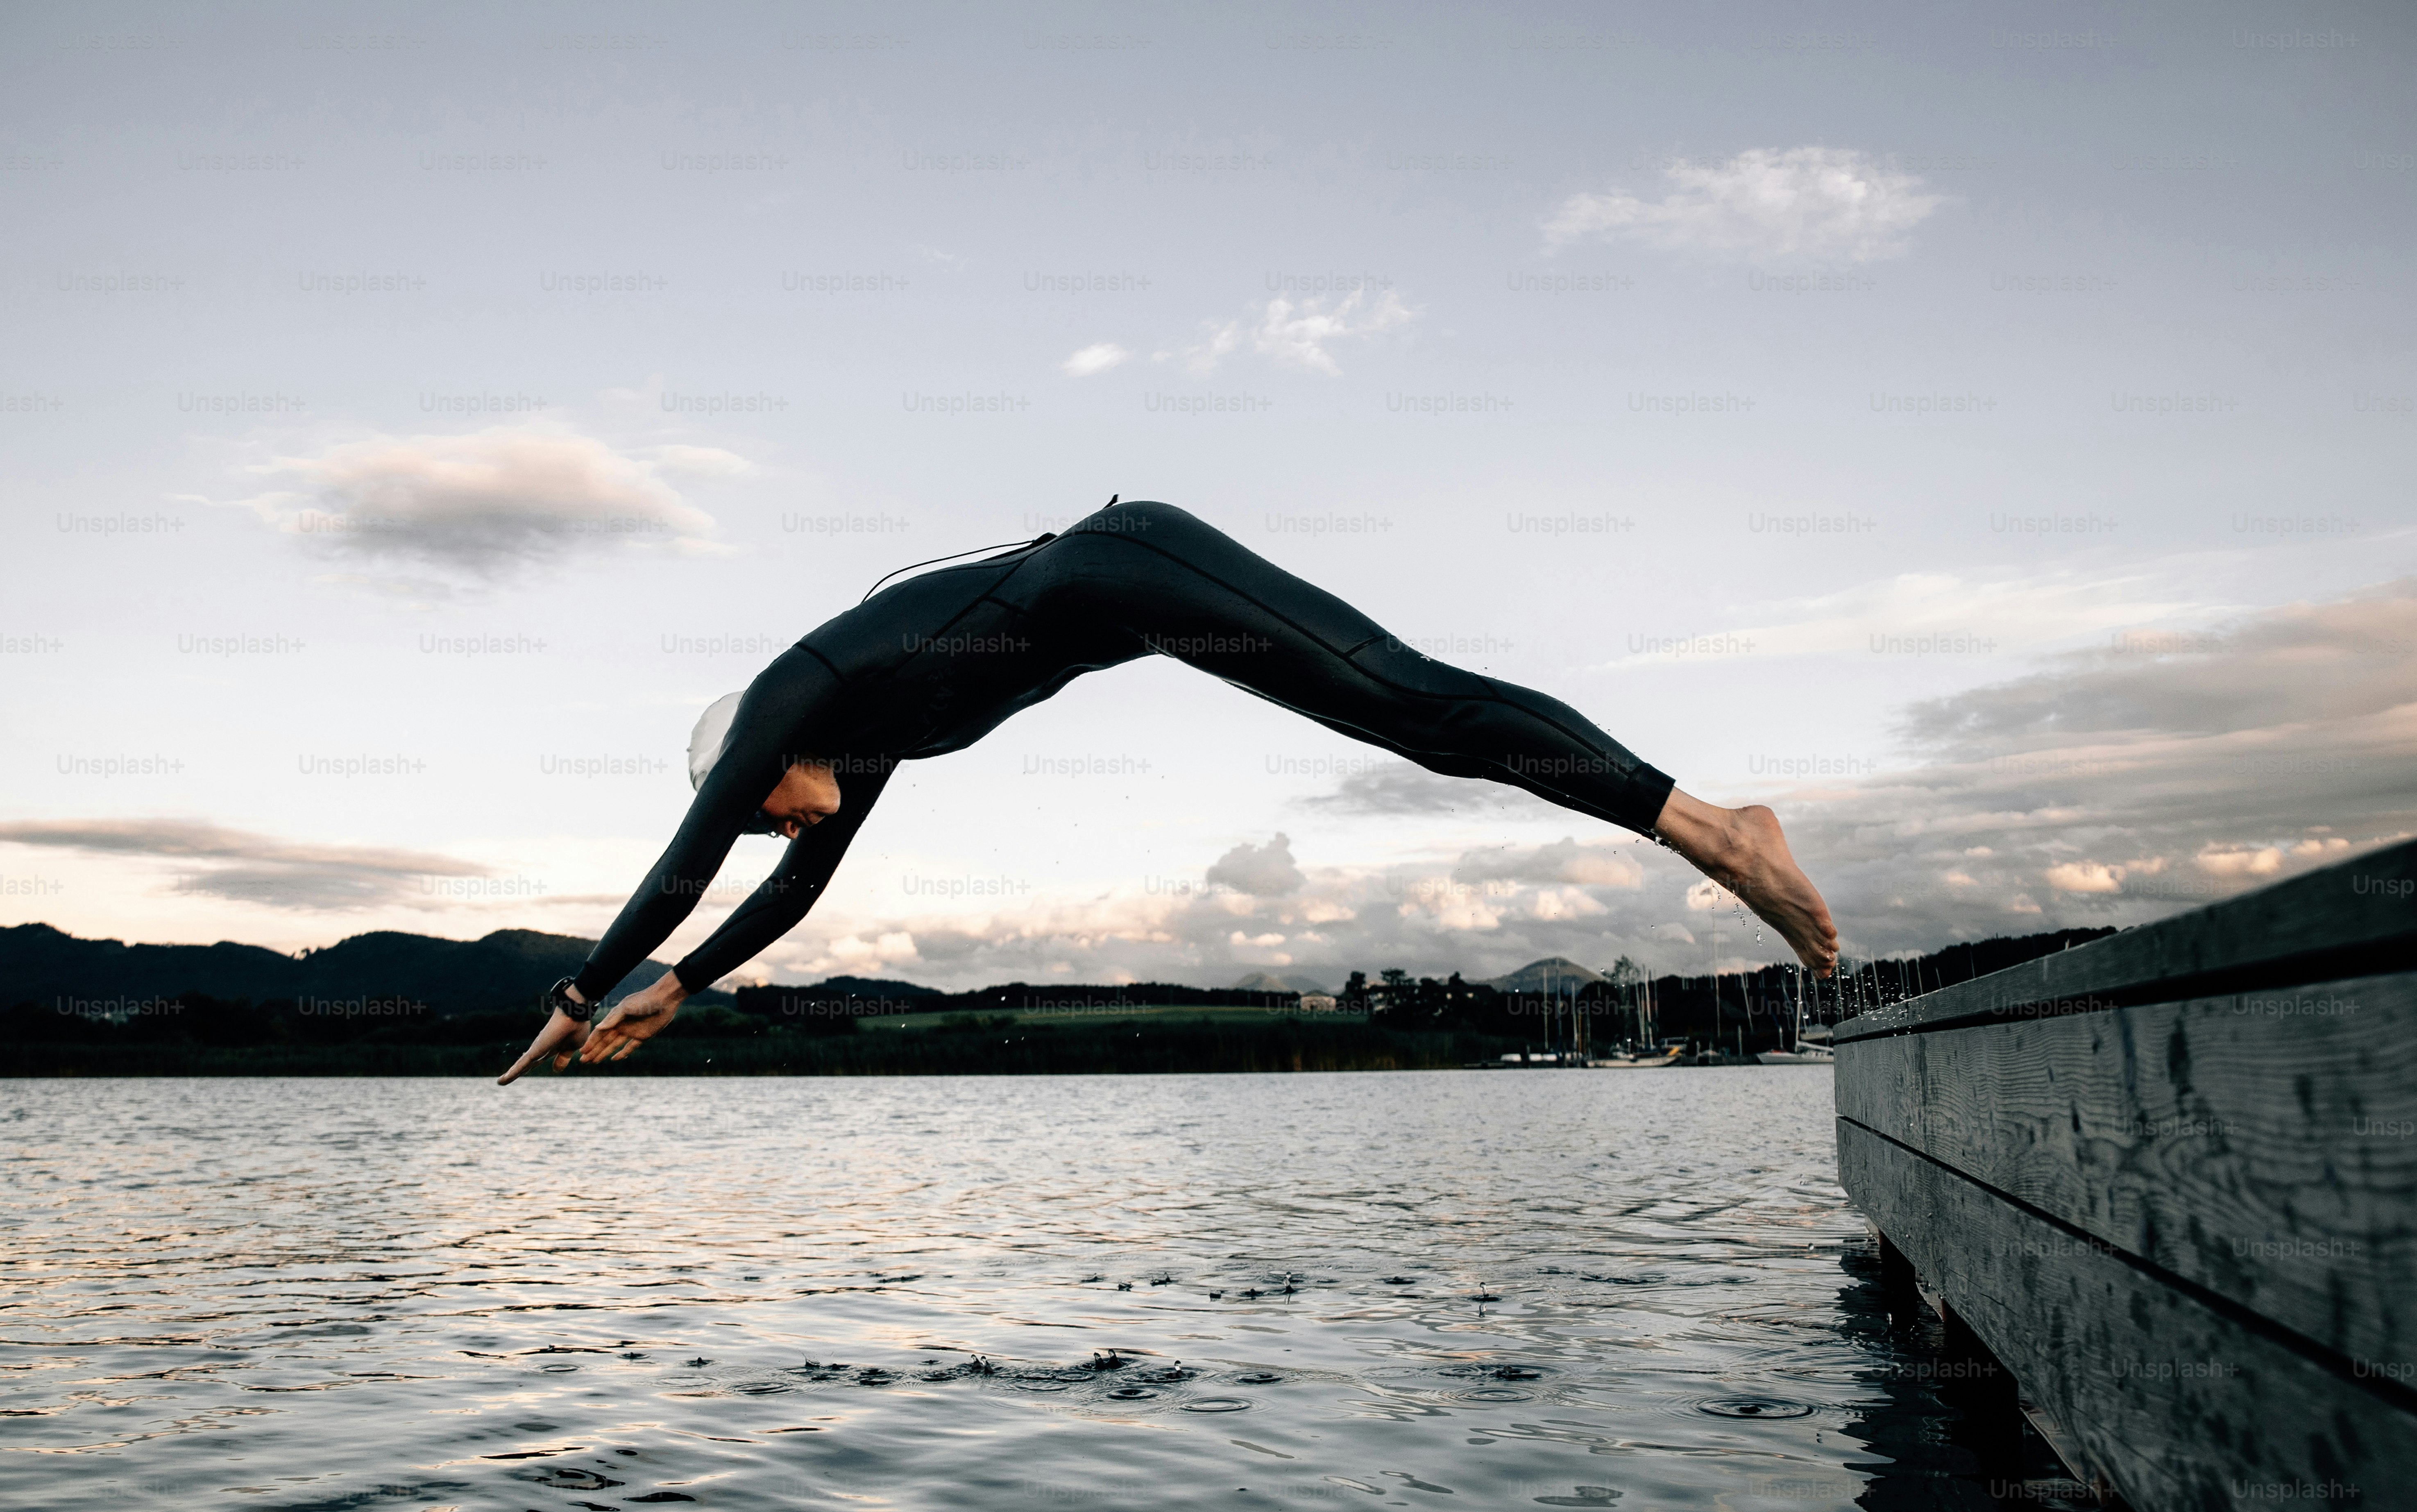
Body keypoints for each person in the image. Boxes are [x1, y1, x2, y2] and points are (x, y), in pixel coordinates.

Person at [499, 499, 1837, 1084]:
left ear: (752, 757)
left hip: (1124, 560)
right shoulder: (867, 747)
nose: (778, 828)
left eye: (764, 807)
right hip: (1142, 609)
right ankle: (1711, 828)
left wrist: (576, 994)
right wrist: (673, 993)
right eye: (768, 822)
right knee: (1423, 735)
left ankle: (1719, 832)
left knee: (1415, 700)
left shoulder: (794, 691)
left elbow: (687, 858)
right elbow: (786, 900)